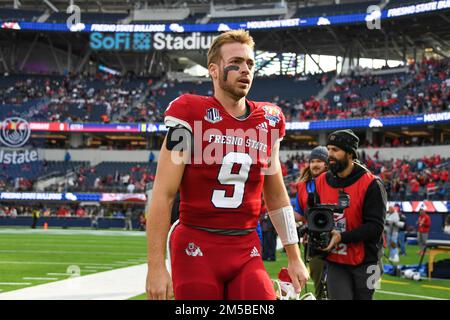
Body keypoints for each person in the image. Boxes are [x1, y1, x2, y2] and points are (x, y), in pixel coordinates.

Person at [146, 30, 309, 300]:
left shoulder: (267, 121)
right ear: (213, 69)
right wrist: (155, 266)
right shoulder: (189, 113)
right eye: (235, 63)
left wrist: (294, 256)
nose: (245, 69)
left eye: (250, 64)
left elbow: (277, 195)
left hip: (245, 246)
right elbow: (163, 193)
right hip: (196, 244)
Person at [314, 129, 387, 300]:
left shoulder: (372, 184)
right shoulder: (321, 182)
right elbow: (316, 216)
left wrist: (341, 237)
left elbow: (375, 228)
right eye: (328, 148)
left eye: (335, 150)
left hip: (368, 261)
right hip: (335, 260)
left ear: (350, 153)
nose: (329, 154)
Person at [296, 145, 328, 299]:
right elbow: (300, 213)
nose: (315, 164)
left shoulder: (336, 182)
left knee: (338, 283)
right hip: (313, 239)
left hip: (338, 237)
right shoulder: (302, 185)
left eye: (320, 161)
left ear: (327, 163)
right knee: (319, 283)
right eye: (313, 161)